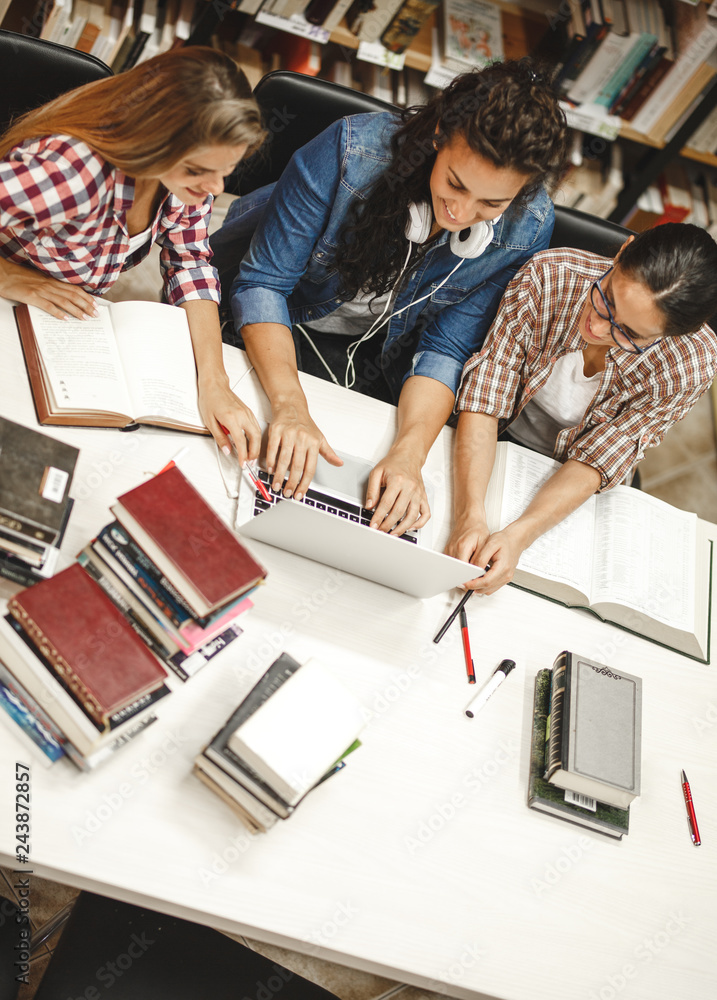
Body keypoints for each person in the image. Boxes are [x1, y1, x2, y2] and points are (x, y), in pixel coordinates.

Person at [210, 60, 568, 531]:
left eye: (491, 204)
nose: (461, 213)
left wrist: (409, 455)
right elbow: (263, 284)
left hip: (367, 346)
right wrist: (291, 407)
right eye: (456, 184)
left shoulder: (528, 227)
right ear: (439, 135)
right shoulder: (350, 152)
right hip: (268, 310)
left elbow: (446, 349)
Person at [0, 46, 266, 462]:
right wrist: (7, 276)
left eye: (225, 172)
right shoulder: (73, 171)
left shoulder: (186, 180)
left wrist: (215, 381)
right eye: (197, 170)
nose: (215, 189)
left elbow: (190, 263)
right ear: (150, 139)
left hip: (61, 324)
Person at [444, 223, 717, 595]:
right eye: (608, 298)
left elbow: (603, 454)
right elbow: (486, 397)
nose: (598, 326)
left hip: (574, 475)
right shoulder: (549, 275)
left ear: (673, 336)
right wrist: (469, 513)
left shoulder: (691, 363)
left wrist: (519, 535)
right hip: (499, 436)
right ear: (622, 252)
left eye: (630, 334)